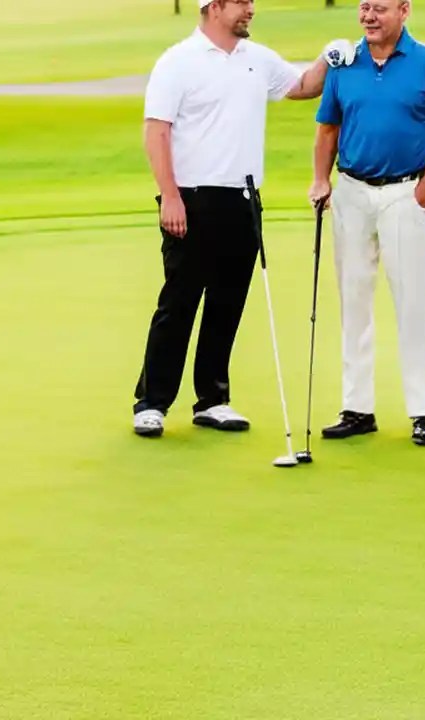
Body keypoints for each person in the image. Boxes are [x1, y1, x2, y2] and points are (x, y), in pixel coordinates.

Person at [132, 0, 356, 438]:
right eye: (241, 2)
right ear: (213, 7)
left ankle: (212, 400)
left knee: (227, 303)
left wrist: (327, 59)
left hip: (243, 199)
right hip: (192, 199)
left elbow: (302, 86)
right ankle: (152, 402)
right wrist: (170, 197)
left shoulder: (258, 59)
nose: (250, 9)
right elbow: (156, 131)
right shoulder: (178, 62)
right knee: (179, 303)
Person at [308, 0, 425, 448]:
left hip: (404, 192)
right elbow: (327, 130)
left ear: (404, 10)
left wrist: (424, 191)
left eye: (379, 8)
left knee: (413, 302)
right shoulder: (345, 63)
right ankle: (357, 407)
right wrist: (321, 179)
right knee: (353, 298)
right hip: (352, 191)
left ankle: (424, 412)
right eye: (364, 7)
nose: (369, 16)